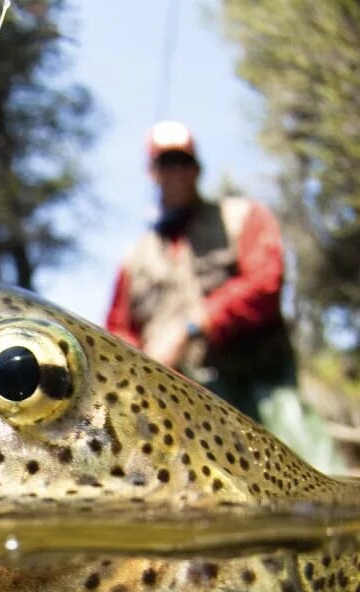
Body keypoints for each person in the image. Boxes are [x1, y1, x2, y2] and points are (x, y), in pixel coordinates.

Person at [106, 121, 343, 472]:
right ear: (152, 172)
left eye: (182, 162)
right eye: (165, 163)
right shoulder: (134, 259)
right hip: (183, 410)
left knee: (315, 475)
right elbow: (117, 330)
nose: (175, 172)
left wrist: (193, 326)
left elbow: (265, 283)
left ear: (197, 168)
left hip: (262, 388)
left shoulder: (243, 217)